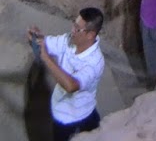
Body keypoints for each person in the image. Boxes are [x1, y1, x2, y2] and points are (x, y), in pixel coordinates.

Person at [28, 9, 105, 138]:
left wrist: (47, 59)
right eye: (74, 25)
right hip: (63, 114)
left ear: (90, 35)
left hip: (84, 113)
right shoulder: (69, 40)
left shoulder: (95, 62)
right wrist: (36, 38)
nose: (72, 31)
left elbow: (71, 86)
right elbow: (45, 44)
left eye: (77, 28)